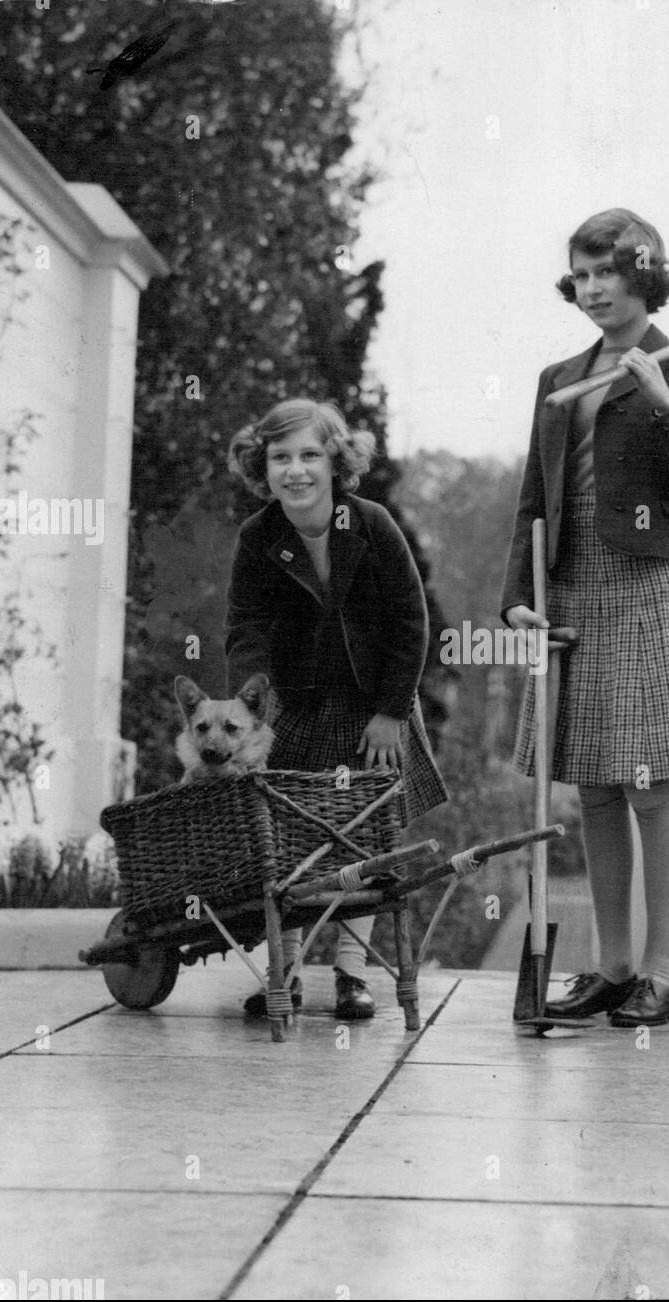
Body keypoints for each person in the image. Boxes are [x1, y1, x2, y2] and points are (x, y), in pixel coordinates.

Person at [500, 209, 669, 1026]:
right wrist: (517, 598)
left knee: (645, 785)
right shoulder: (557, 376)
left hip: (648, 584)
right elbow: (534, 496)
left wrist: (663, 401)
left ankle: (662, 976)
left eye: (607, 271)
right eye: (581, 274)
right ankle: (609, 968)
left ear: (643, 275)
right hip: (571, 586)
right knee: (594, 787)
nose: (592, 288)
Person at [224, 398, 447, 1019]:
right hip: (293, 710)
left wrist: (391, 710)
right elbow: (247, 627)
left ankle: (352, 975)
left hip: (373, 709)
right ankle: (286, 972)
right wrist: (250, 710)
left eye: (310, 456)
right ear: (261, 466)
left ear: (336, 461)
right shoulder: (258, 537)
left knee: (362, 839)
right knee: (290, 838)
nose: (296, 471)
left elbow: (410, 620)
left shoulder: (371, 524)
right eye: (280, 458)